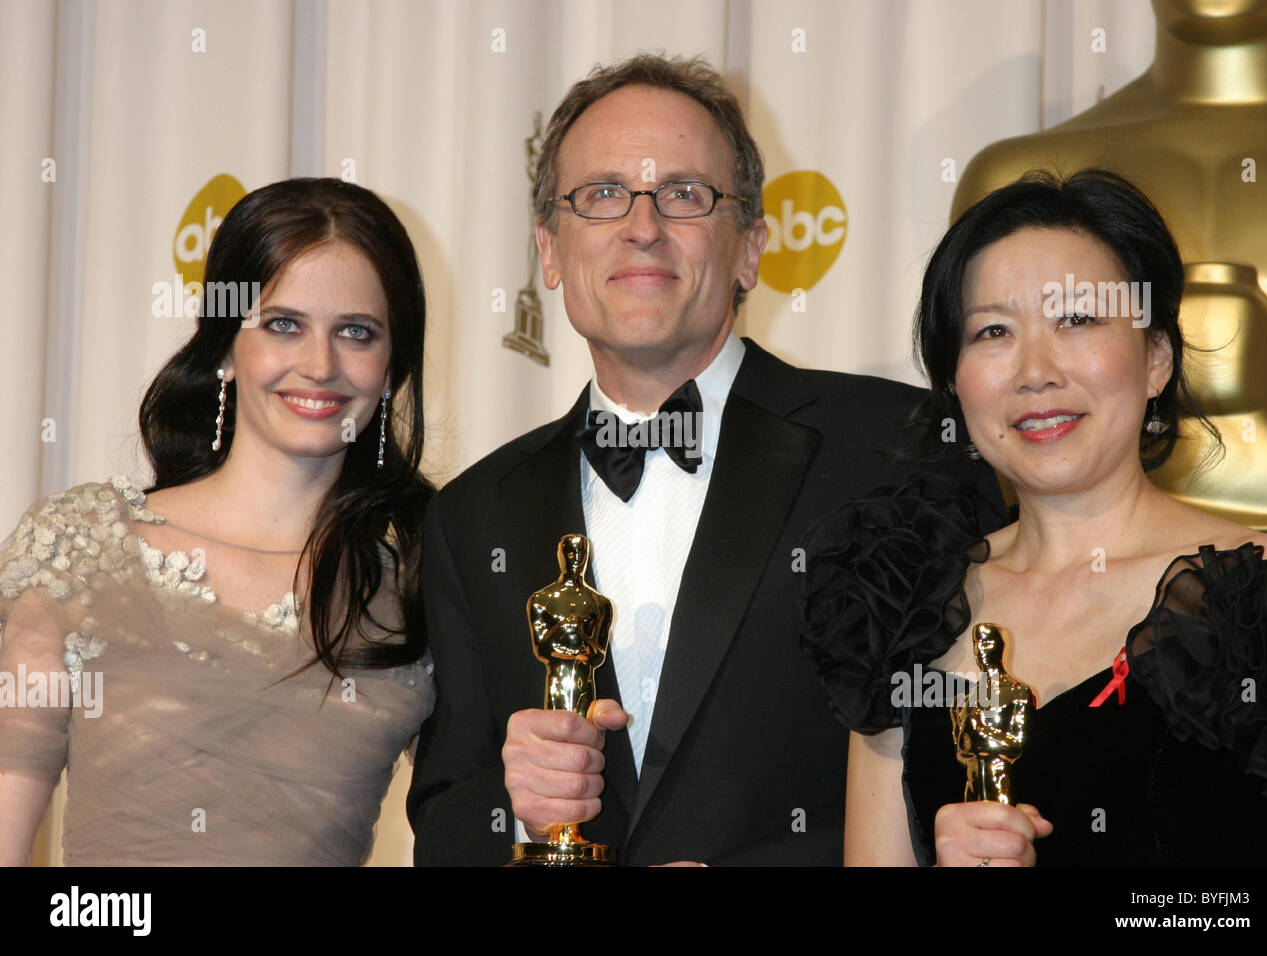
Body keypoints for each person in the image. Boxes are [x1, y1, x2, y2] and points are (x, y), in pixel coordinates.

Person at [406, 53, 1001, 866]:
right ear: (549, 250)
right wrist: (516, 810)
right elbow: (442, 823)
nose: (641, 226)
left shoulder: (898, 448)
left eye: (684, 194)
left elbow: (972, 768)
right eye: (602, 194)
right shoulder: (471, 515)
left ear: (751, 246)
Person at [801, 169, 1267, 866]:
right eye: (994, 331)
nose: (1035, 370)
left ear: (1155, 357)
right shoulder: (900, 607)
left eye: (1077, 319)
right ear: (954, 381)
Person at [0, 178, 435, 865]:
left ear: (389, 371)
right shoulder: (81, 548)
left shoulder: (417, 591)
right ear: (227, 347)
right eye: (284, 325)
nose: (320, 366)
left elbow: (488, 806)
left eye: (356, 332)